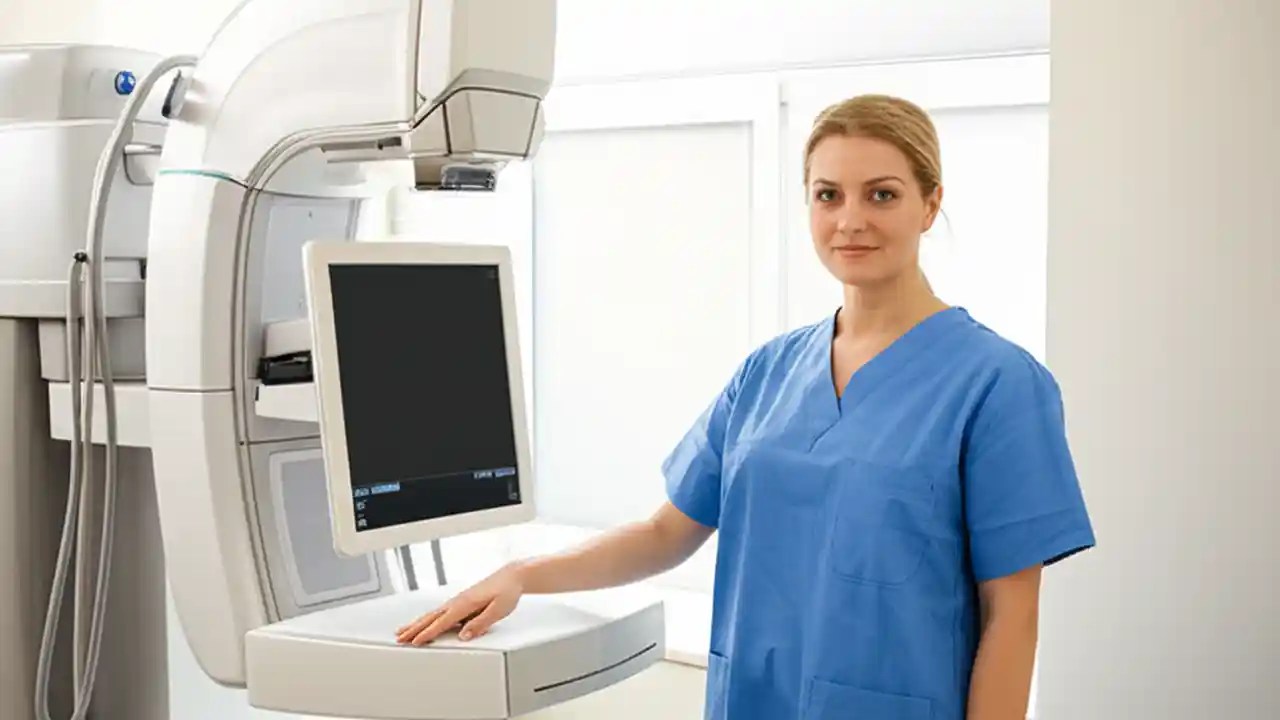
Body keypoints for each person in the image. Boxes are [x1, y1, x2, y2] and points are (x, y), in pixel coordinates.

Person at [395, 94, 1096, 720]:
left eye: (881, 195)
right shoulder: (768, 373)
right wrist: (524, 574)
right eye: (828, 195)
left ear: (930, 204)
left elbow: (1012, 614)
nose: (850, 220)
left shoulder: (998, 384)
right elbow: (667, 532)